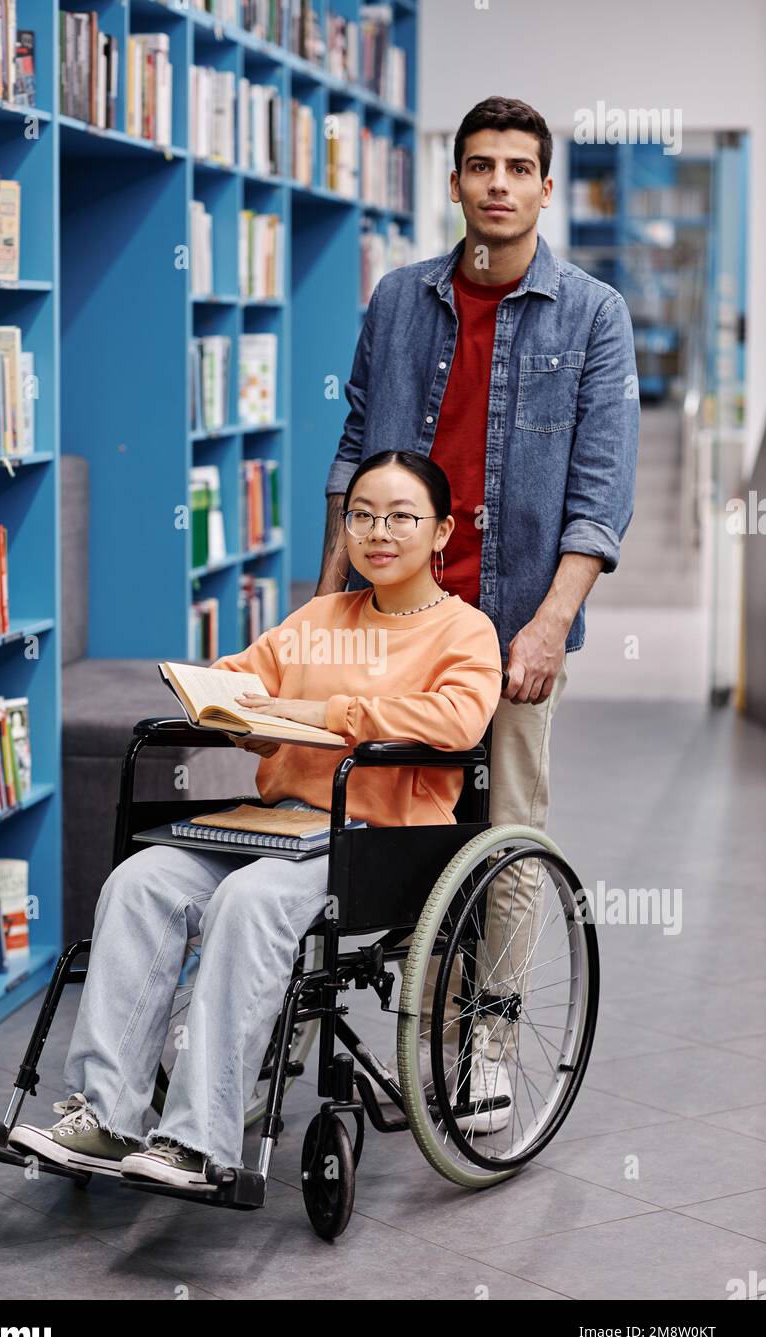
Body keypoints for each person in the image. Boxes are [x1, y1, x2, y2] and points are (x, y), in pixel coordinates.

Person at [7, 451, 503, 1190]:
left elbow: (458, 720)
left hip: (373, 844)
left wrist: (326, 715)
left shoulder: (464, 633)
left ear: (442, 532)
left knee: (249, 899)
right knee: (139, 882)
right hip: (271, 824)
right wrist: (232, 707)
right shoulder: (320, 617)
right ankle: (106, 1116)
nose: (378, 531)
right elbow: (244, 675)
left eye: (402, 516)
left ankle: (198, 1141)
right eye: (361, 515)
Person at [317, 96, 639, 1104]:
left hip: (505, 628)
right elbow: (354, 452)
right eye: (478, 165)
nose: (496, 182)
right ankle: (404, 1008)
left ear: (544, 188)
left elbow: (597, 498)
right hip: (388, 614)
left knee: (503, 831)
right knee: (388, 816)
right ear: (452, 181)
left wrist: (546, 627)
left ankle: (488, 1039)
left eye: (516, 167)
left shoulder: (591, 314)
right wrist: (322, 602)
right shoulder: (395, 299)